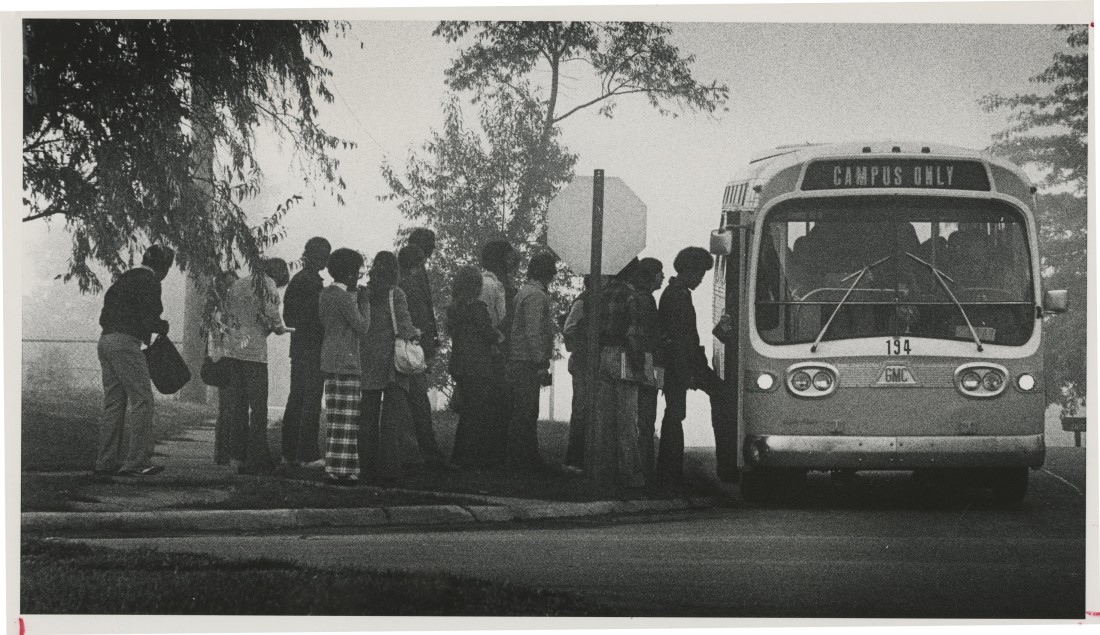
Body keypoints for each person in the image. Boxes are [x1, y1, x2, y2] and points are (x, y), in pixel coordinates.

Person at [94, 245, 175, 479]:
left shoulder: (123, 279)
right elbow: (148, 317)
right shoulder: (150, 281)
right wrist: (162, 326)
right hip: (126, 343)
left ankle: (105, 462)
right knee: (142, 400)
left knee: (114, 403)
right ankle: (136, 462)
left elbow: (103, 317)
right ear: (164, 267)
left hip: (106, 340)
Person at [222, 258, 292, 475]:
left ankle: (237, 457)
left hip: (234, 349)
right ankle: (258, 457)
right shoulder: (268, 284)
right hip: (254, 354)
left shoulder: (239, 283)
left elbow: (227, 315)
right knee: (259, 407)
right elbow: (272, 314)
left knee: (239, 405)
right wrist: (280, 328)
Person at [656, 246, 718, 485]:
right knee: (675, 414)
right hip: (679, 365)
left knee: (674, 413)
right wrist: (692, 372)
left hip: (681, 364)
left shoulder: (676, 293)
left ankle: (670, 470)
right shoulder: (677, 296)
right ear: (688, 270)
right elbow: (683, 339)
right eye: (699, 273)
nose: (701, 278)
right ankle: (670, 472)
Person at [358, 251, 420, 485]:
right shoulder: (397, 294)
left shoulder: (365, 293)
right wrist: (416, 335)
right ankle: (389, 467)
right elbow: (404, 326)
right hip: (392, 361)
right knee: (393, 416)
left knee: (368, 415)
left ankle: (365, 464)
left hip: (367, 358)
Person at [590, 259, 646, 488]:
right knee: (626, 418)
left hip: (604, 354)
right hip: (623, 354)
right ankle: (628, 472)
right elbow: (632, 333)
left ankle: (604, 470)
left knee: (605, 418)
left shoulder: (602, 294)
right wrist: (639, 366)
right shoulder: (631, 295)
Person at [319, 248, 370, 486]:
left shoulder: (326, 294)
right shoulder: (344, 298)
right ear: (349, 273)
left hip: (329, 359)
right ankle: (347, 469)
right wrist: (364, 302)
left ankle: (333, 467)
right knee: (349, 419)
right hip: (348, 361)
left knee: (334, 417)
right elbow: (361, 326)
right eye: (357, 272)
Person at [446, 265, 504, 468]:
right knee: (478, 412)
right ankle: (472, 457)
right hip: (479, 365)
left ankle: (460, 456)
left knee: (468, 411)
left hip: (461, 364)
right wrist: (498, 335)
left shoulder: (455, 309)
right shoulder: (478, 309)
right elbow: (488, 333)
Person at [281, 237, 331, 468]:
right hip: (313, 347)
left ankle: (289, 451)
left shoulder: (297, 281)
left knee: (297, 398)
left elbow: (289, 316)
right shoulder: (313, 283)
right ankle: (308, 453)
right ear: (315, 255)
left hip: (299, 346)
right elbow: (318, 317)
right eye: (325, 254)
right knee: (311, 401)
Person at [399, 233, 448, 468]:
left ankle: (417, 448)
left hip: (419, 341)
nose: (433, 249)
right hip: (413, 343)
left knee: (414, 398)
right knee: (417, 398)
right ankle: (424, 449)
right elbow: (420, 310)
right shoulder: (410, 278)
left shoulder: (415, 274)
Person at [505, 251, 557, 471]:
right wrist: (540, 363)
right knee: (527, 412)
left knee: (521, 411)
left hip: (518, 359)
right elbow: (533, 332)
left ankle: (520, 457)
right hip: (526, 361)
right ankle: (524, 459)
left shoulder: (524, 293)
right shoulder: (537, 296)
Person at [478, 239, 519, 466]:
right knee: (496, 401)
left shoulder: (499, 281)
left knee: (500, 401)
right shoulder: (491, 283)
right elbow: (492, 319)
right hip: (496, 348)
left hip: (501, 347)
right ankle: (493, 453)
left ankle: (496, 451)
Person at [635, 257, 665, 483]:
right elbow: (651, 339)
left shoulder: (643, 299)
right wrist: (657, 374)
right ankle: (645, 471)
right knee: (646, 419)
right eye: (659, 272)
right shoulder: (646, 301)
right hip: (647, 364)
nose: (662, 276)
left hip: (645, 363)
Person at [561, 275, 591, 472]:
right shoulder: (583, 301)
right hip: (583, 362)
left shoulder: (588, 300)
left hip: (586, 361)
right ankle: (574, 458)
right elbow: (569, 329)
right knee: (581, 409)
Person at [209, 270, 239, 466]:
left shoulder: (223, 308)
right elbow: (226, 334)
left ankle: (224, 453)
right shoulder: (222, 310)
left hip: (228, 357)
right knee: (227, 408)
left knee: (228, 408)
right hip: (225, 359)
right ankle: (224, 454)